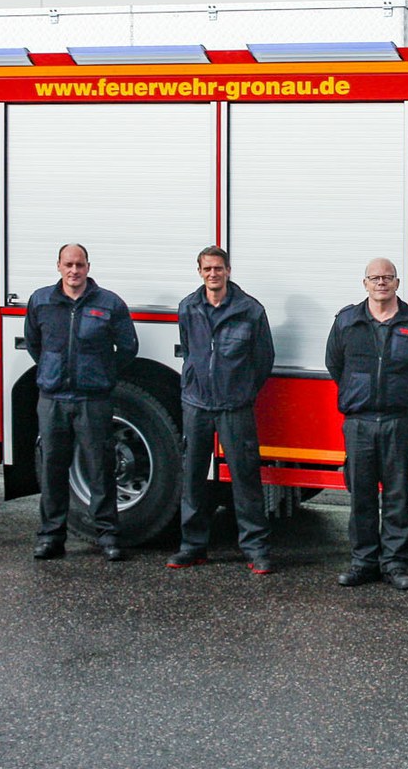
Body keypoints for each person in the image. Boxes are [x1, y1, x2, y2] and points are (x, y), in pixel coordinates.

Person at [324, 258, 408, 591]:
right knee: (361, 496)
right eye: (374, 278)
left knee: (396, 496)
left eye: (387, 278)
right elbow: (335, 363)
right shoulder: (347, 321)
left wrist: (401, 395)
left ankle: (394, 564)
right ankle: (363, 563)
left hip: (397, 421)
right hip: (359, 422)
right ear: (365, 283)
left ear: (397, 283)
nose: (381, 283)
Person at [19, 244, 138, 562]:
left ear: (89, 266)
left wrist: (101, 374)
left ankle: (108, 536)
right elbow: (35, 344)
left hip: (92, 400)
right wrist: (51, 370)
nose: (74, 271)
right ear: (58, 266)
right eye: (69, 264)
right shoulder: (41, 301)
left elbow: (128, 347)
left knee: (100, 469)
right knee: (53, 469)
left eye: (80, 265)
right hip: (53, 399)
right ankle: (51, 537)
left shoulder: (109, 303)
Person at [168, 246, 277, 575]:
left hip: (234, 406)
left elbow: (263, 359)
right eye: (207, 269)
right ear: (199, 271)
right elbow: (189, 349)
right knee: (193, 478)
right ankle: (192, 547)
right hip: (197, 405)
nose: (213, 274)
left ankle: (256, 549)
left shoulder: (250, 310)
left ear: (229, 270)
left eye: (218, 268)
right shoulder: (188, 307)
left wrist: (242, 390)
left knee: (245, 479)